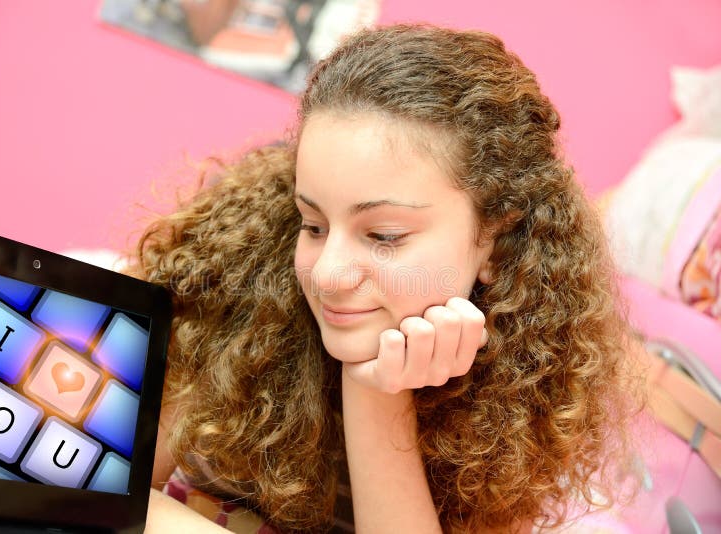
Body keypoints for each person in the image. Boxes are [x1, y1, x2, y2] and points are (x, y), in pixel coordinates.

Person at [134, 24, 643, 533]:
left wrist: (374, 392)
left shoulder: (526, 391)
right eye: (312, 225)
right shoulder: (240, 282)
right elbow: (101, 494)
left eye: (384, 235)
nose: (329, 274)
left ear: (494, 239)